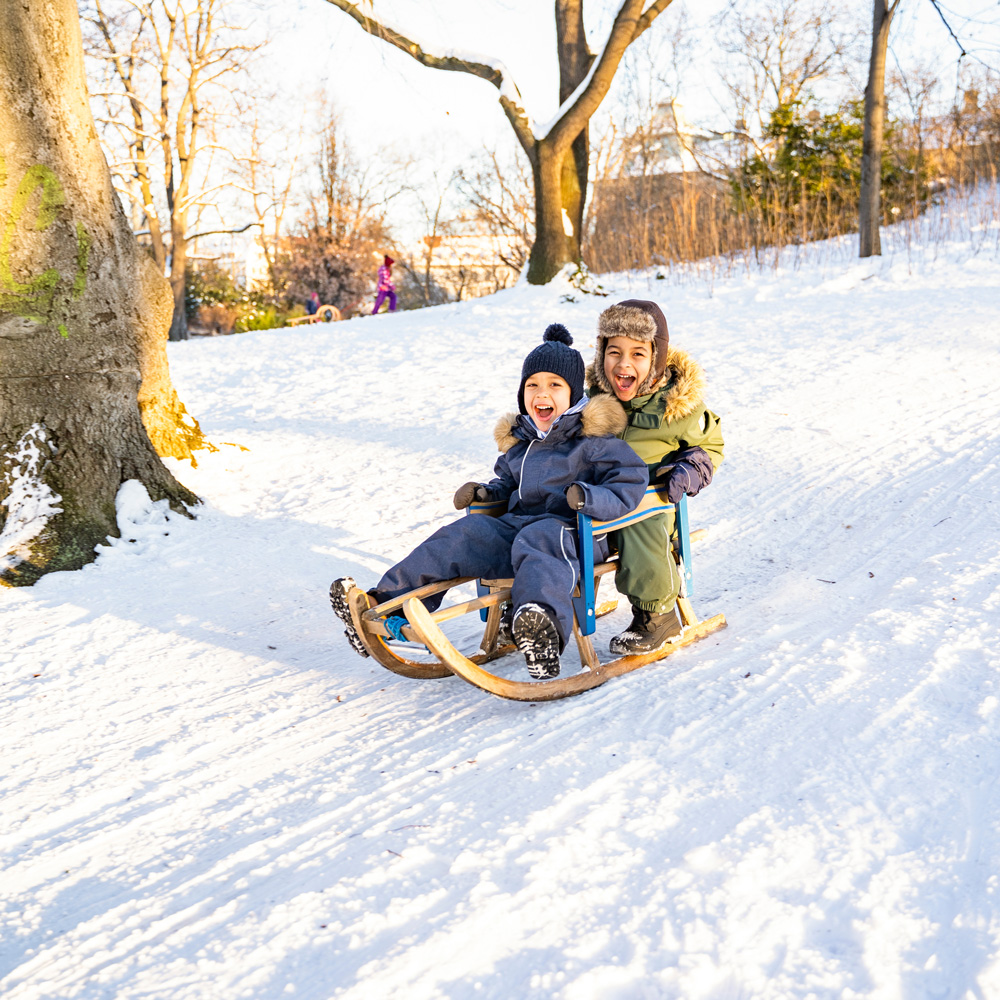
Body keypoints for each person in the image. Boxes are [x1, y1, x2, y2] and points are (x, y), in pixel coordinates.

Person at [330, 324, 648, 679]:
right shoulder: (523, 442)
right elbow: (508, 484)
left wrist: (588, 497)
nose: (542, 393)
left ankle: (539, 626)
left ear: (574, 394)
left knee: (541, 536)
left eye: (554, 385)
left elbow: (630, 481)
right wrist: (486, 494)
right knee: (465, 533)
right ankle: (383, 604)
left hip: (574, 535)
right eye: (532, 385)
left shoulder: (594, 441)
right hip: (518, 529)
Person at [586, 299, 724, 654]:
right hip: (595, 504)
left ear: (656, 359)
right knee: (541, 521)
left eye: (637, 354)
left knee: (639, 516)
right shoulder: (592, 401)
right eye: (614, 352)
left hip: (652, 508)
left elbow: (711, 446)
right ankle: (535, 606)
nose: (624, 363)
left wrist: (689, 469)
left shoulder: (677, 407)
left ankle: (656, 615)